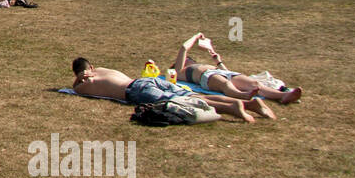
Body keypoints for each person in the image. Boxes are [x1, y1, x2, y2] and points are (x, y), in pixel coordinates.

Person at [70, 59, 260, 123]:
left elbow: (76, 89)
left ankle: (232, 107)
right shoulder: (102, 70)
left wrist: (78, 80)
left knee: (182, 103)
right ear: (92, 65)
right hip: (145, 81)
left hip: (135, 91)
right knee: (189, 95)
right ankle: (248, 103)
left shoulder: (86, 83)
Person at [172, 33, 301, 106]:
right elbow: (184, 48)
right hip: (206, 76)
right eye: (188, 58)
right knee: (225, 84)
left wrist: (218, 62)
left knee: (254, 84)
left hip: (222, 72)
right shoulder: (180, 71)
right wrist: (196, 36)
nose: (189, 59)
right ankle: (242, 95)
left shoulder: (199, 65)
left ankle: (283, 96)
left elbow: (227, 72)